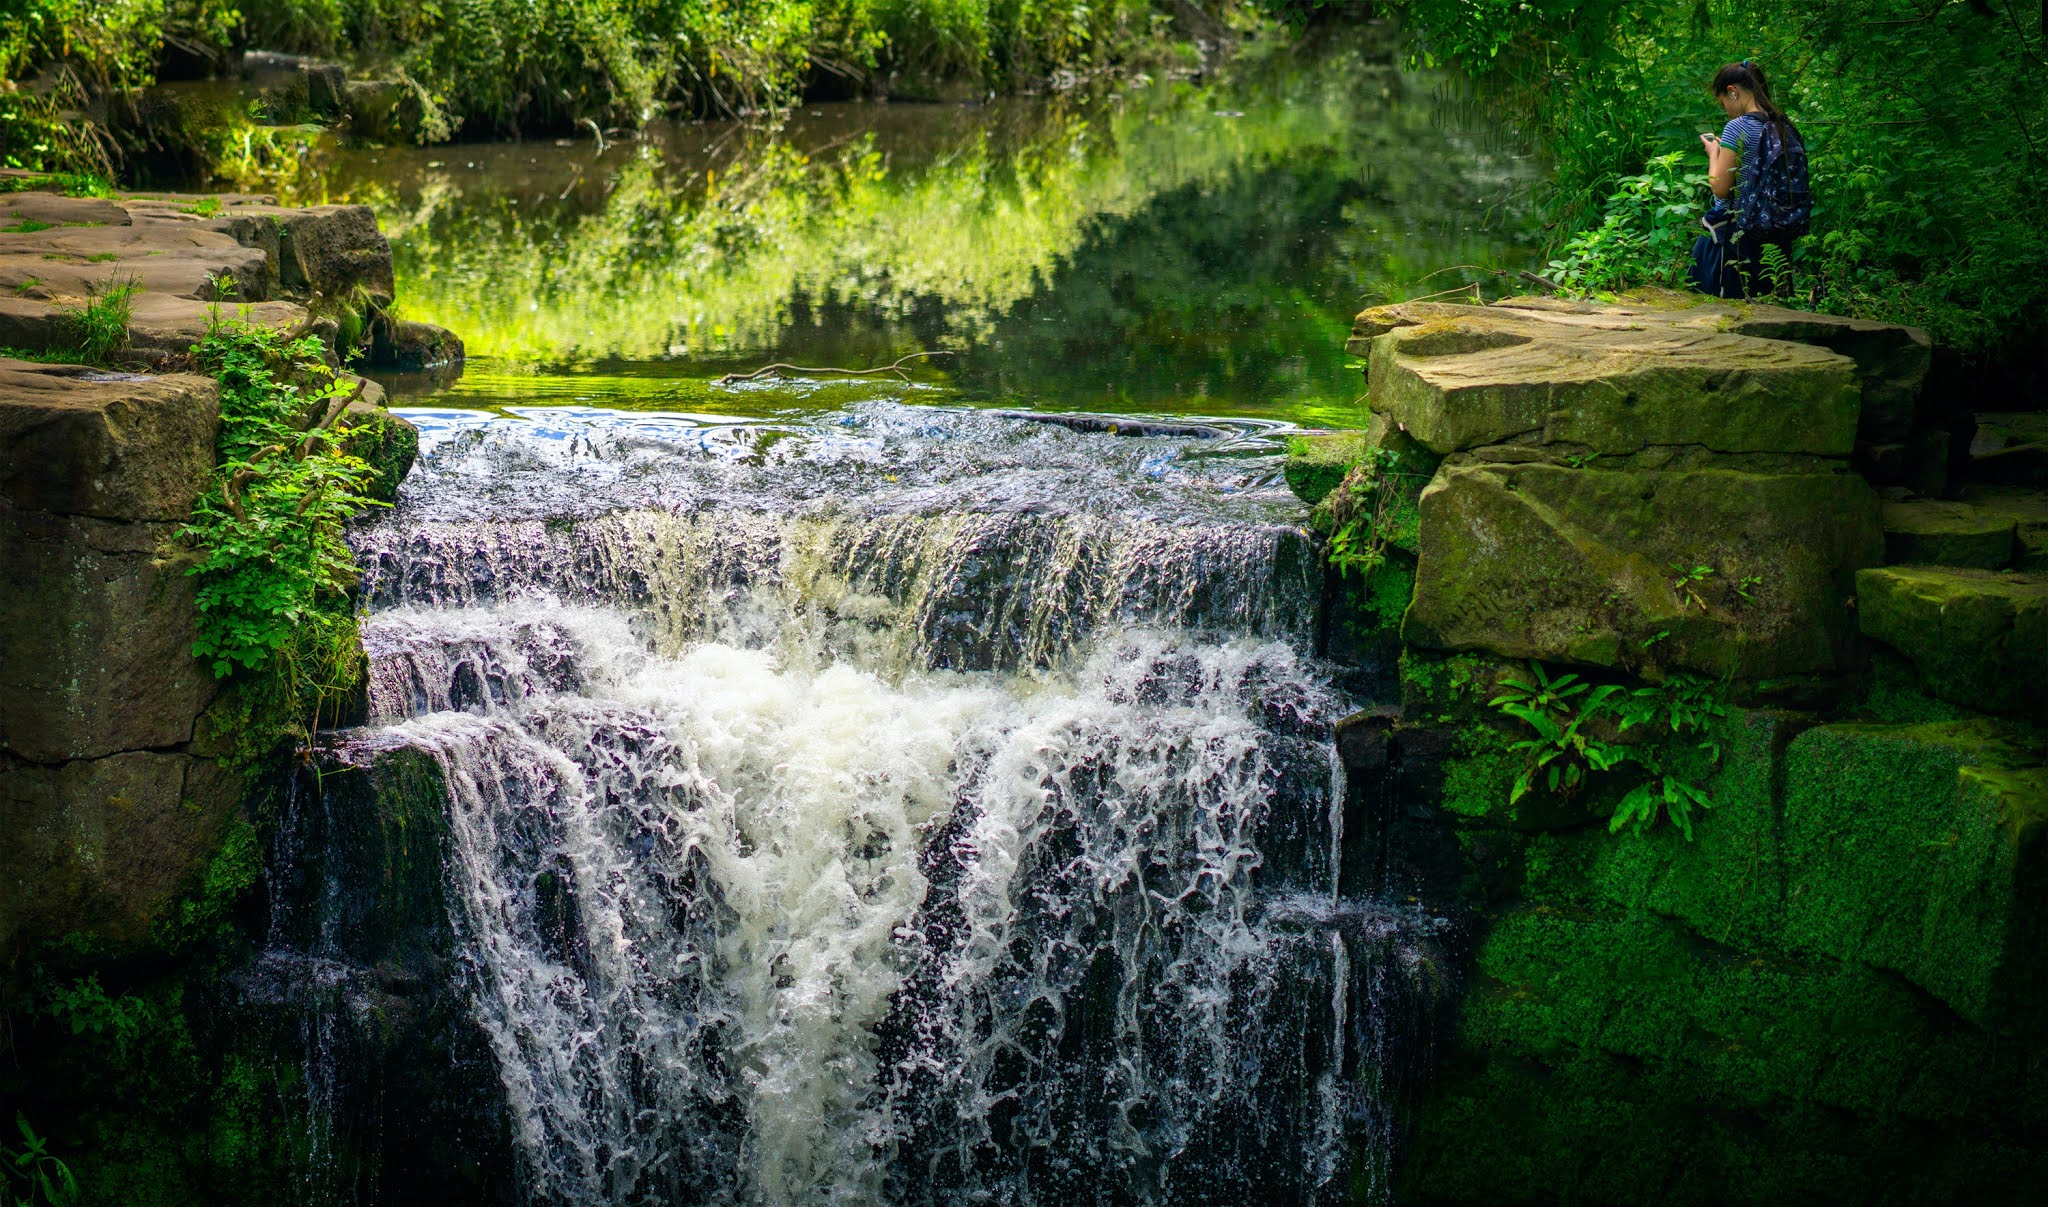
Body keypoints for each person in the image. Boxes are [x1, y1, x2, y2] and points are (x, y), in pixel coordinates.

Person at [1688, 60, 1811, 299]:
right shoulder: (1783, 125)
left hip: (1740, 231)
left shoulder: (1737, 127)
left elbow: (1720, 188)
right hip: (1777, 229)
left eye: (1722, 100)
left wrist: (1714, 154)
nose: (1724, 108)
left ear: (1733, 92)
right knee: (1772, 299)